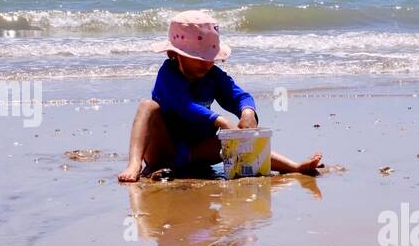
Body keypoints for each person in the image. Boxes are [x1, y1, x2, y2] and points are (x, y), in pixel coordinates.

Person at [118, 11, 323, 182]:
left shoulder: (212, 75)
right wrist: (219, 120)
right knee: (147, 106)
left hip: (197, 153)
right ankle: (134, 164)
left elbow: (238, 95)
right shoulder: (168, 75)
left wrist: (247, 111)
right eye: (198, 58)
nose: (206, 63)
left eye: (210, 58)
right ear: (175, 55)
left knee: (240, 139)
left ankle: (293, 166)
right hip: (162, 151)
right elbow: (183, 105)